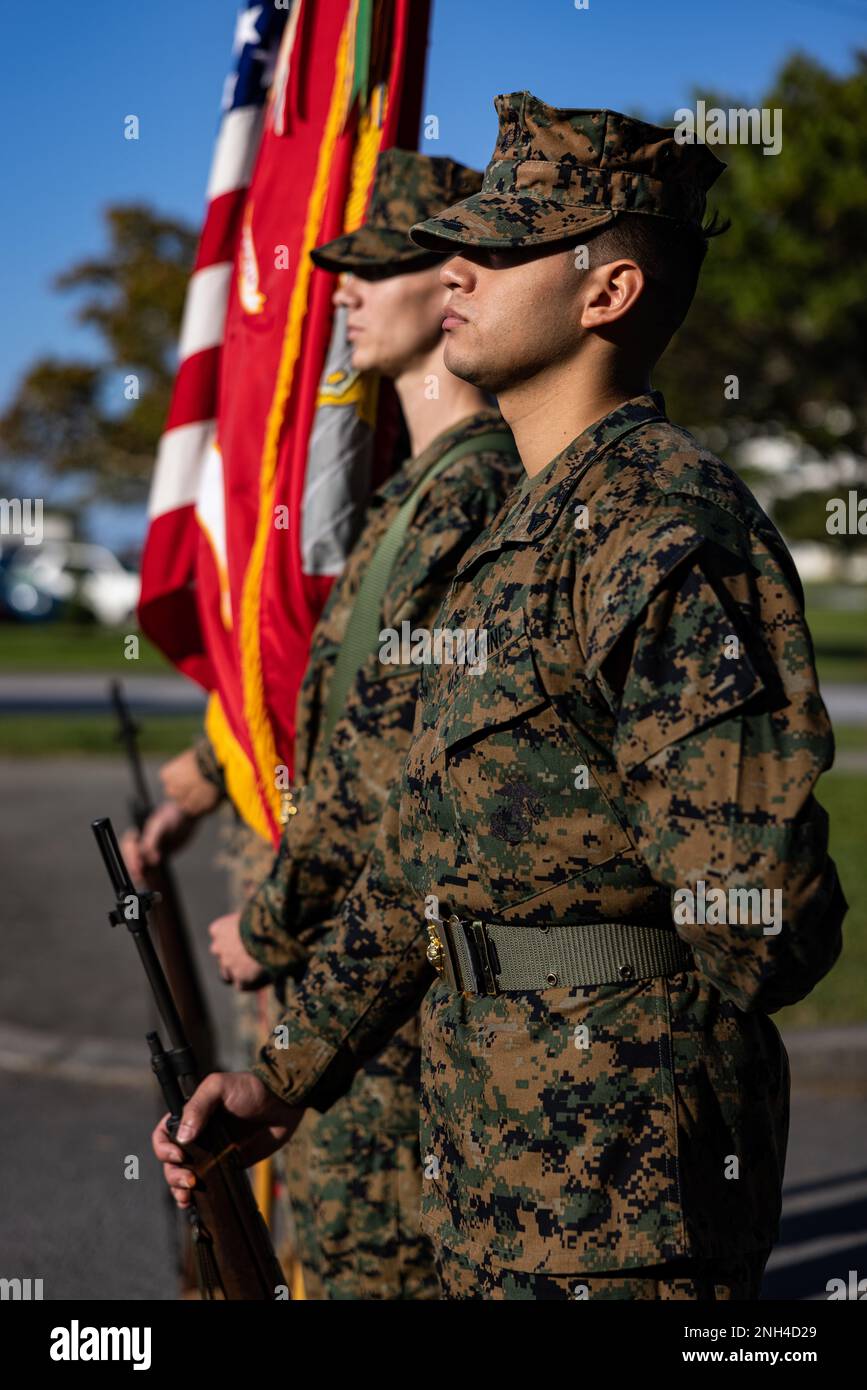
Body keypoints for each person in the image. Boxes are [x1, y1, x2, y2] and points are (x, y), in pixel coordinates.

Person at [154, 94, 846, 1300]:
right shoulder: (521, 532)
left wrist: (604, 970)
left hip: (624, 1203)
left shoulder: (663, 531)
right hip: (485, 1176)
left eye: (508, 242)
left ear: (606, 293)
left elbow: (767, 924)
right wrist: (284, 1075)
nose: (457, 265)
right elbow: (422, 862)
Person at [195, 146, 521, 1299]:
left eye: (376, 269)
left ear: (453, 285)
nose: (341, 292)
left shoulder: (470, 495)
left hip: (391, 1008)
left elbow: (377, 772)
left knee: (371, 1270)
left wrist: (272, 925)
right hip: (358, 984)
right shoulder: (411, 494)